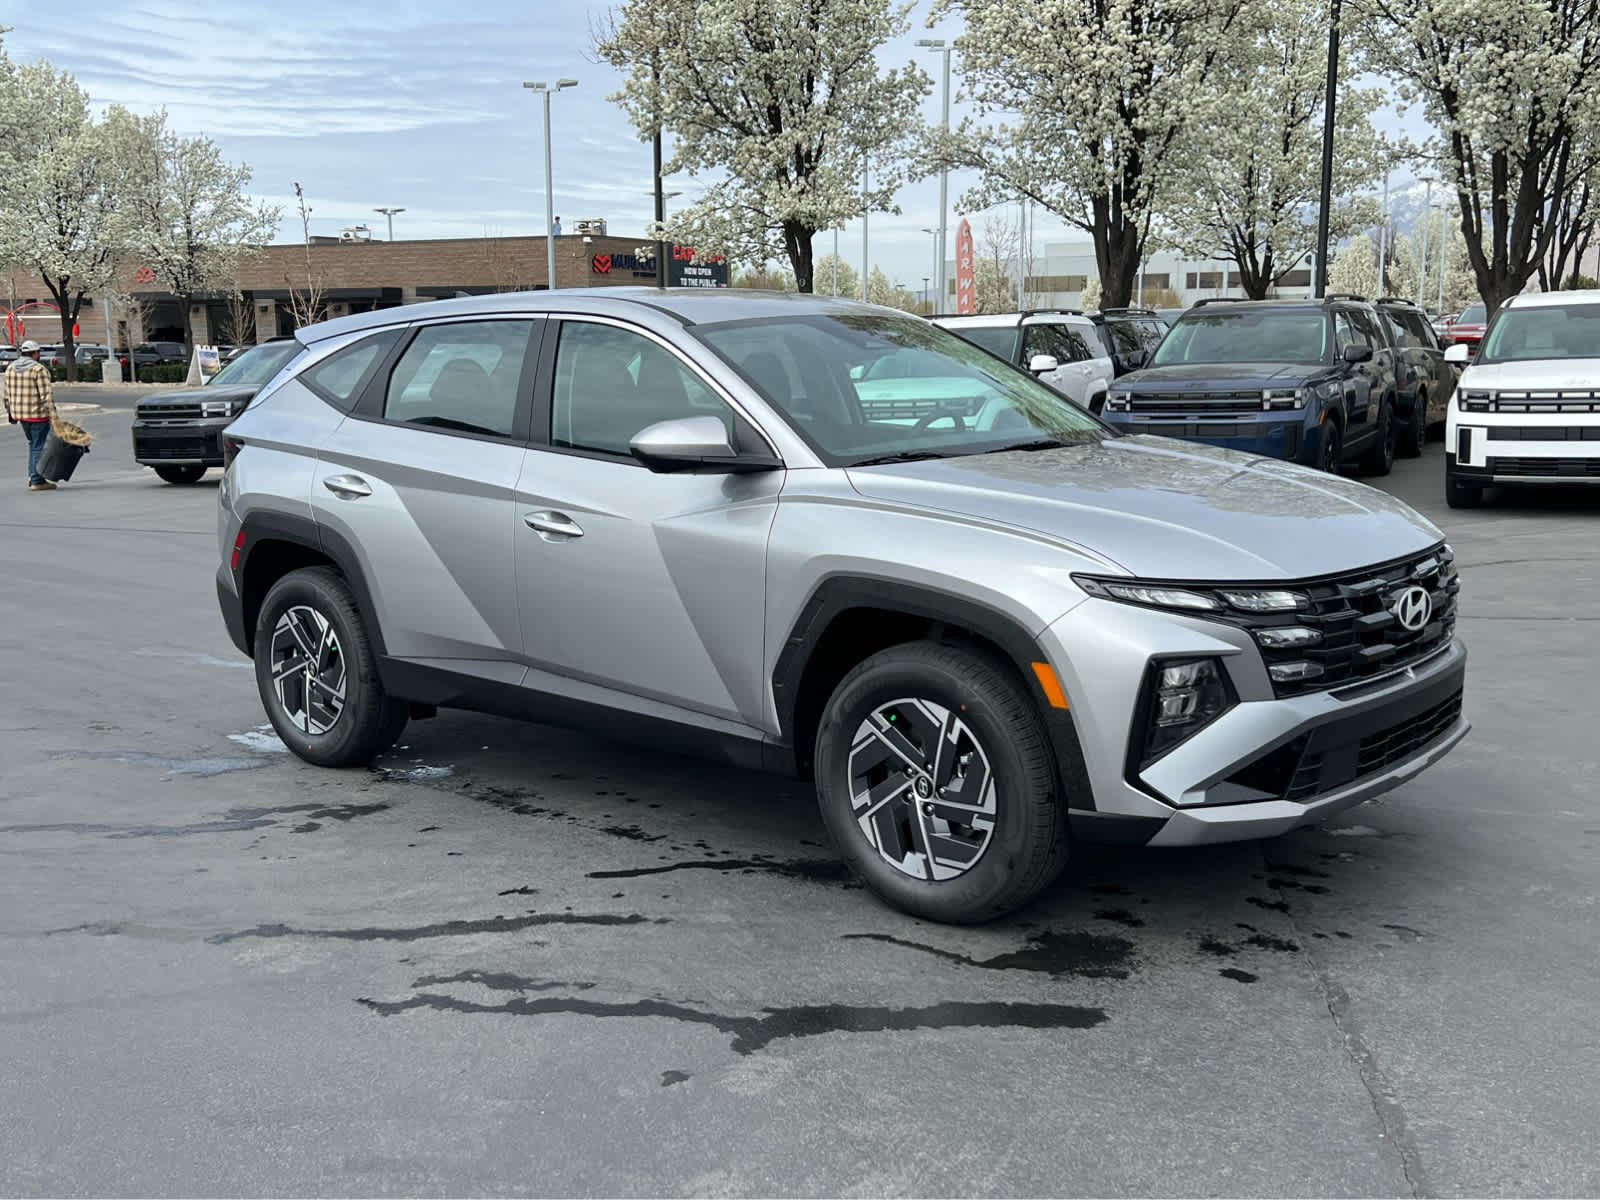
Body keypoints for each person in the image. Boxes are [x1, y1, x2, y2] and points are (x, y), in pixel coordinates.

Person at [2, 340, 58, 492]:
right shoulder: (39, 370)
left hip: (20, 415)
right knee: (38, 447)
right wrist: (54, 415)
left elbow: (6, 395)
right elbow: (46, 395)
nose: (39, 355)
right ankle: (36, 480)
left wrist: (10, 413)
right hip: (38, 415)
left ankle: (33, 475)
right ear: (35, 353)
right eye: (38, 352)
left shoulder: (10, 368)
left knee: (33, 445)